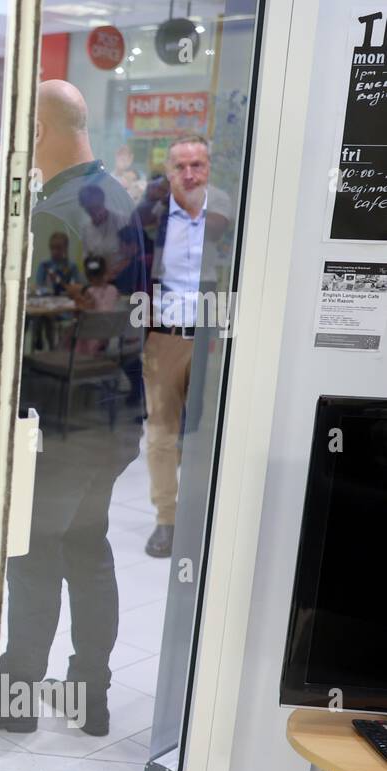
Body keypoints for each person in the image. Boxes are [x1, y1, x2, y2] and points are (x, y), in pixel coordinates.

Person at [0, 79, 146, 739]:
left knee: (33, 556)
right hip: (114, 415)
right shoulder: (118, 196)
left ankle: (18, 695)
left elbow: (38, 331)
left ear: (39, 131)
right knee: (88, 546)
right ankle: (92, 696)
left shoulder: (51, 211)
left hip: (59, 415)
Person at [137, 134, 232, 558]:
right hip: (164, 339)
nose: (190, 174)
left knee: (207, 435)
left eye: (199, 165)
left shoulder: (229, 211)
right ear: (168, 171)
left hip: (214, 339)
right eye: (181, 167)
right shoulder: (152, 218)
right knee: (160, 435)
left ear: (209, 167)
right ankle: (167, 520)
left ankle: (205, 514)